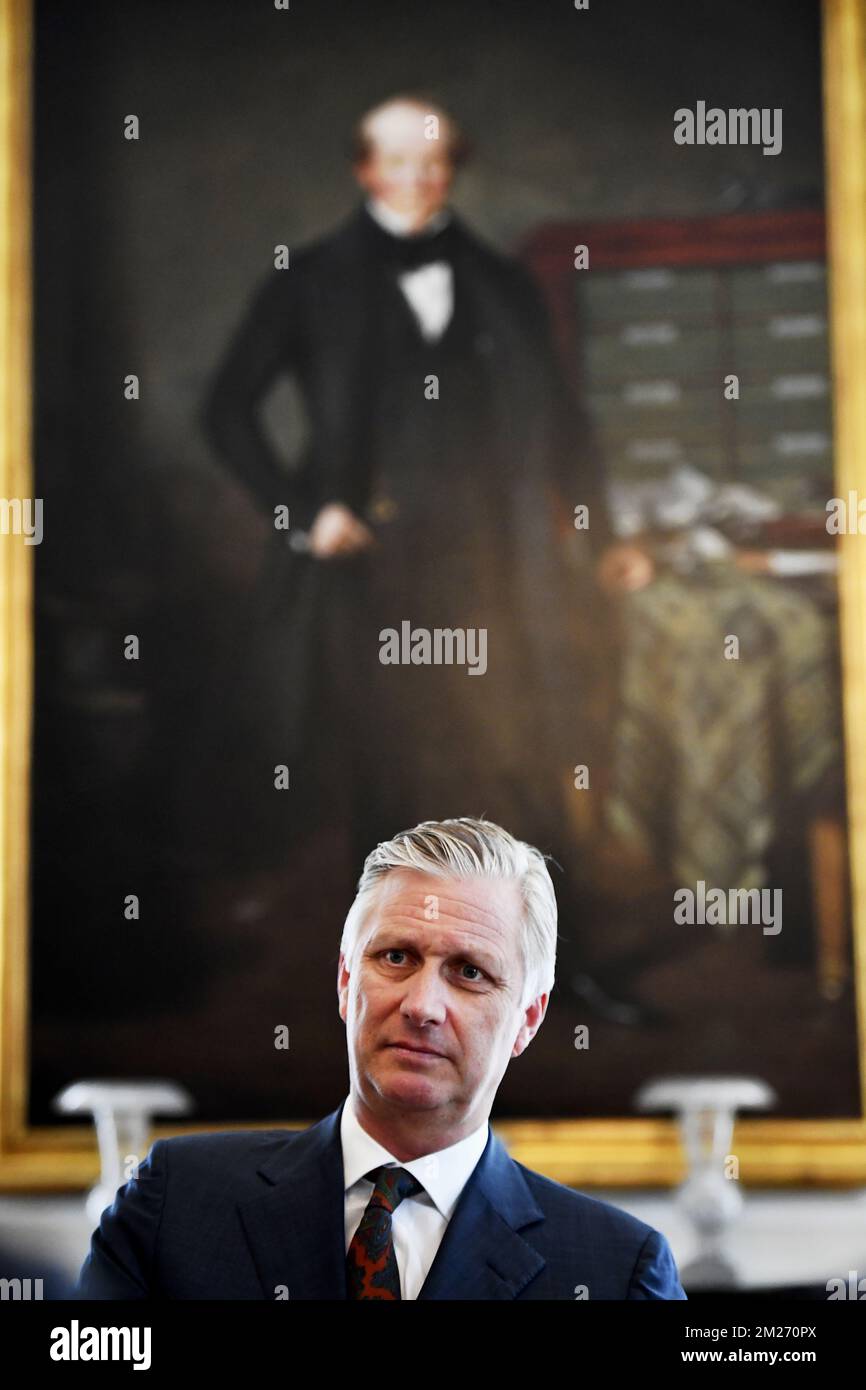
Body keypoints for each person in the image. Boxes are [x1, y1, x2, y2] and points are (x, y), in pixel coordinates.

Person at [189, 93, 649, 886]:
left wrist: (604, 536)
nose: (417, 178)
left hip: (496, 562)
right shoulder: (308, 281)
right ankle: (399, 977)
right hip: (371, 565)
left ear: (453, 171)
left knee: (526, 759)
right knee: (388, 774)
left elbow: (566, 428)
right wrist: (305, 515)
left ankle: (551, 965)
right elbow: (226, 411)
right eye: (398, 161)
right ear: (366, 170)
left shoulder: (504, 282)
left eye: (433, 162)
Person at [74, 816, 686, 1299]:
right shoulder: (176, 1202)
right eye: (396, 958)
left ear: (529, 1017)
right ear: (345, 981)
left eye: (469, 972)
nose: (422, 1004)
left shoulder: (616, 1273)